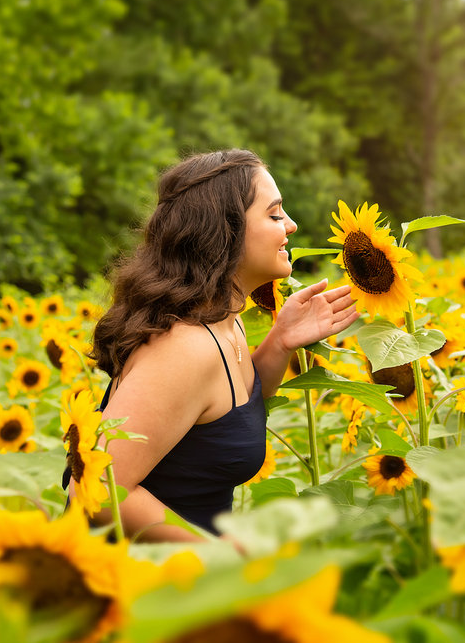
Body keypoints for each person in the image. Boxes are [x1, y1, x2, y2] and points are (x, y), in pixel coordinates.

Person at [78, 149, 359, 543]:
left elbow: (218, 419)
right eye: (275, 214)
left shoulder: (223, 322)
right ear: (225, 230)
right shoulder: (182, 349)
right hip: (150, 586)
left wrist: (280, 342)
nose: (291, 225)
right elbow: (97, 491)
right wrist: (220, 558)